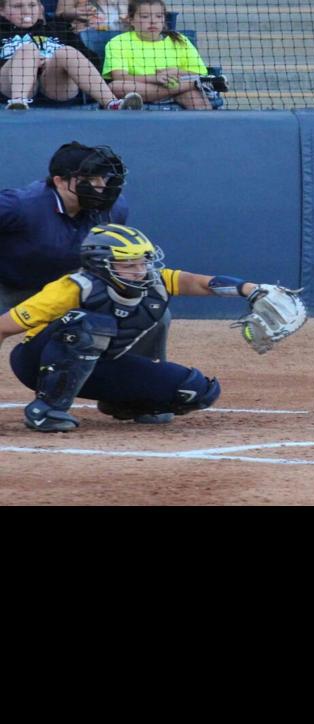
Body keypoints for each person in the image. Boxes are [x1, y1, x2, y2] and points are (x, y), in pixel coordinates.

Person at [0, 224, 290, 432]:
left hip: (100, 365)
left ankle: (123, 403)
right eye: (128, 264)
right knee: (89, 324)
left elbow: (202, 282)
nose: (140, 271)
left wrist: (252, 290)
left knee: (196, 390)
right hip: (35, 363)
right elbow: (3, 327)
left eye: (143, 262)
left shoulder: (155, 282)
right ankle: (47, 409)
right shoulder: (74, 287)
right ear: (100, 264)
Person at [0, 142, 130, 312]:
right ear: (59, 181)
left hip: (66, 287)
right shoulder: (20, 205)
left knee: (144, 313)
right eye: (90, 179)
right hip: (8, 285)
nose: (101, 187)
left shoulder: (114, 209)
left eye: (103, 178)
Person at [2, 0, 142, 109]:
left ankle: (112, 103)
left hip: (55, 86)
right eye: (17, 6)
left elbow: (92, 61)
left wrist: (50, 62)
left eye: (32, 5)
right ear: (2, 11)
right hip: (10, 86)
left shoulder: (59, 29)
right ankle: (17, 102)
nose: (26, 11)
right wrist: (28, 63)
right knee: (28, 50)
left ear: (41, 9)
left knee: (67, 52)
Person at [102, 0, 225, 110]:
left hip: (179, 88)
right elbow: (119, 76)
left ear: (164, 20)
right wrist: (153, 78)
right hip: (139, 92)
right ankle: (189, 86)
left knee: (194, 96)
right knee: (115, 86)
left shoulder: (180, 40)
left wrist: (176, 71)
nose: (153, 21)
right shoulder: (117, 43)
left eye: (159, 16)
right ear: (131, 20)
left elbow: (199, 74)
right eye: (145, 17)